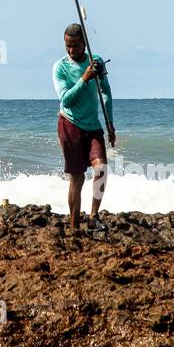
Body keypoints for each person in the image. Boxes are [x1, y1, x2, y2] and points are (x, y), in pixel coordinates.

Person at [52, 23, 116, 234]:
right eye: (67, 46)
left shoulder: (95, 61)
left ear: (84, 44)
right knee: (77, 177)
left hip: (93, 125)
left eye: (75, 46)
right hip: (69, 124)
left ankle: (93, 217)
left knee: (102, 169)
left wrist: (110, 123)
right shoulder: (60, 67)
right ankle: (73, 226)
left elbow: (105, 92)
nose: (71, 50)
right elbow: (66, 100)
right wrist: (84, 78)